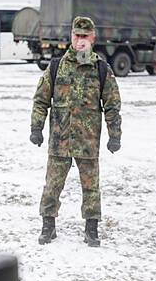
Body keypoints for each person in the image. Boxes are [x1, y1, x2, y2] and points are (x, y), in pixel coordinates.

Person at [30, 16, 122, 247]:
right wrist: (36, 127)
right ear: (71, 37)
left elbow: (112, 104)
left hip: (88, 141)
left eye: (85, 36)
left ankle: (91, 228)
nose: (80, 41)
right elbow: (41, 100)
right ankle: (48, 226)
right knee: (52, 184)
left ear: (93, 38)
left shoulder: (101, 69)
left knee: (91, 186)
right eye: (77, 36)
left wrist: (115, 135)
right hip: (60, 139)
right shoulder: (56, 66)